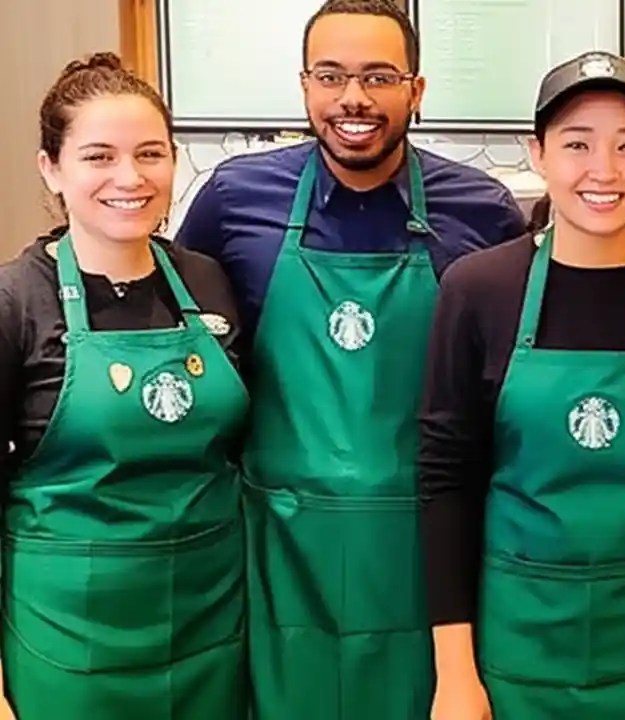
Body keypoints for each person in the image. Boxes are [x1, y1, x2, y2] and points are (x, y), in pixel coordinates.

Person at [173, 0, 527, 717]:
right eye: (331, 76)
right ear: (304, 86)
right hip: (282, 548)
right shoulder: (234, 200)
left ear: (416, 91)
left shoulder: (483, 211)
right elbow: (193, 353)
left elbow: (507, 388)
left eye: (378, 76)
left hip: (426, 543)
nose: (353, 98)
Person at [420, 50, 625, 719]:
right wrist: (454, 674)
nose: (604, 170)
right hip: (525, 646)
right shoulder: (479, 289)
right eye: (576, 144)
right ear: (538, 154)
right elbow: (446, 483)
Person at [0, 53, 246, 720]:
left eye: (151, 154)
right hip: (69, 637)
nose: (130, 178)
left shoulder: (208, 281)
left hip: (211, 625)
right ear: (50, 167)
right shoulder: (17, 300)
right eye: (98, 157)